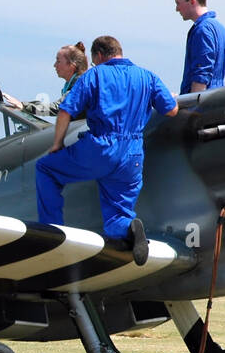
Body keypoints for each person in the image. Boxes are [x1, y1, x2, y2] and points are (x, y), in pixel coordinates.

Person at [36, 35, 178, 266]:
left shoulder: (94, 75)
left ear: (99, 56)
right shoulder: (147, 76)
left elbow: (65, 111)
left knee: (46, 169)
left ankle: (53, 234)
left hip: (100, 147)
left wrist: (57, 144)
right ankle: (130, 227)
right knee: (117, 217)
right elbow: (171, 110)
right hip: (133, 155)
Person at [173, 0, 225, 94]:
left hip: (204, 103)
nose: (177, 9)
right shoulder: (219, 28)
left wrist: (194, 104)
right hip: (216, 96)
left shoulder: (203, 30)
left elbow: (202, 73)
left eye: (178, 3)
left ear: (192, 1)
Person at [4, 42, 88, 114]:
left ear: (71, 65)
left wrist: (24, 106)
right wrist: (23, 105)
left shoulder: (81, 86)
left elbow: (60, 107)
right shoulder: (75, 85)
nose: (54, 65)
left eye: (58, 61)